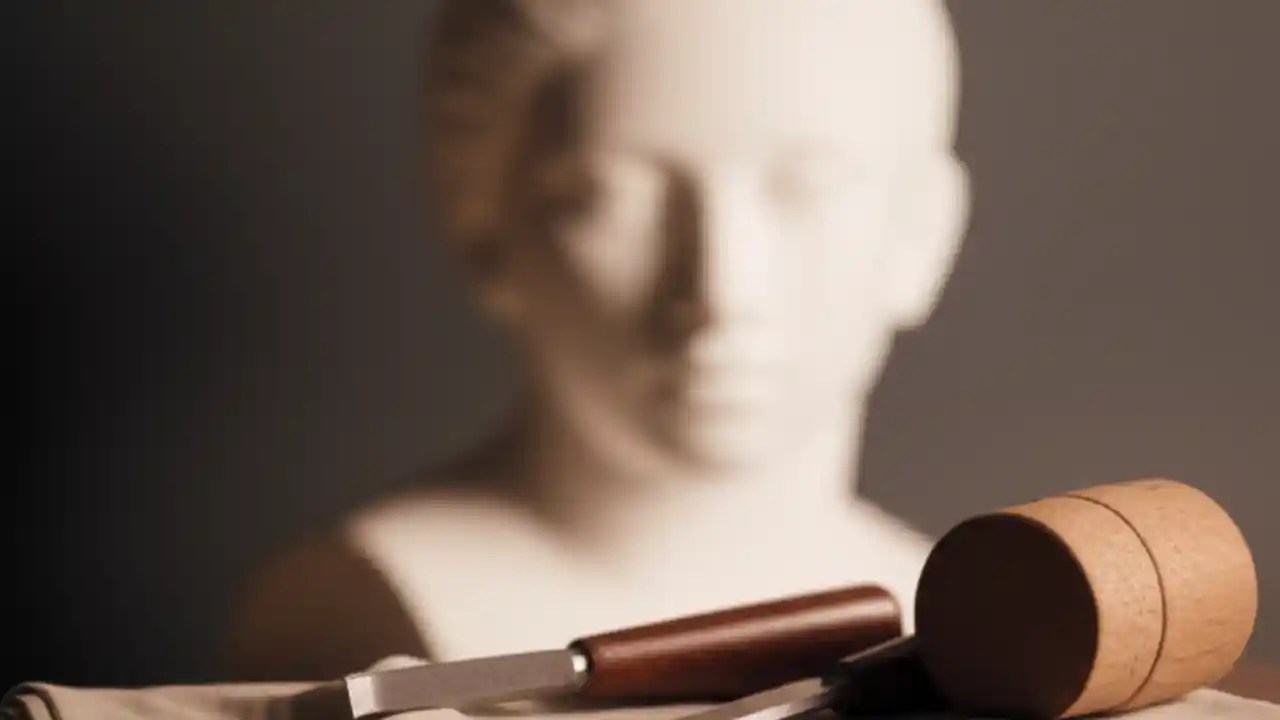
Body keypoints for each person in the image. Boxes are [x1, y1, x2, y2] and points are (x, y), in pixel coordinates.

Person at [225, 0, 970, 681]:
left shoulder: (974, 624)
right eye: (616, 196)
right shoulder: (358, 611)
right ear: (485, 232)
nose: (719, 290)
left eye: (808, 186)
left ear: (923, 232)